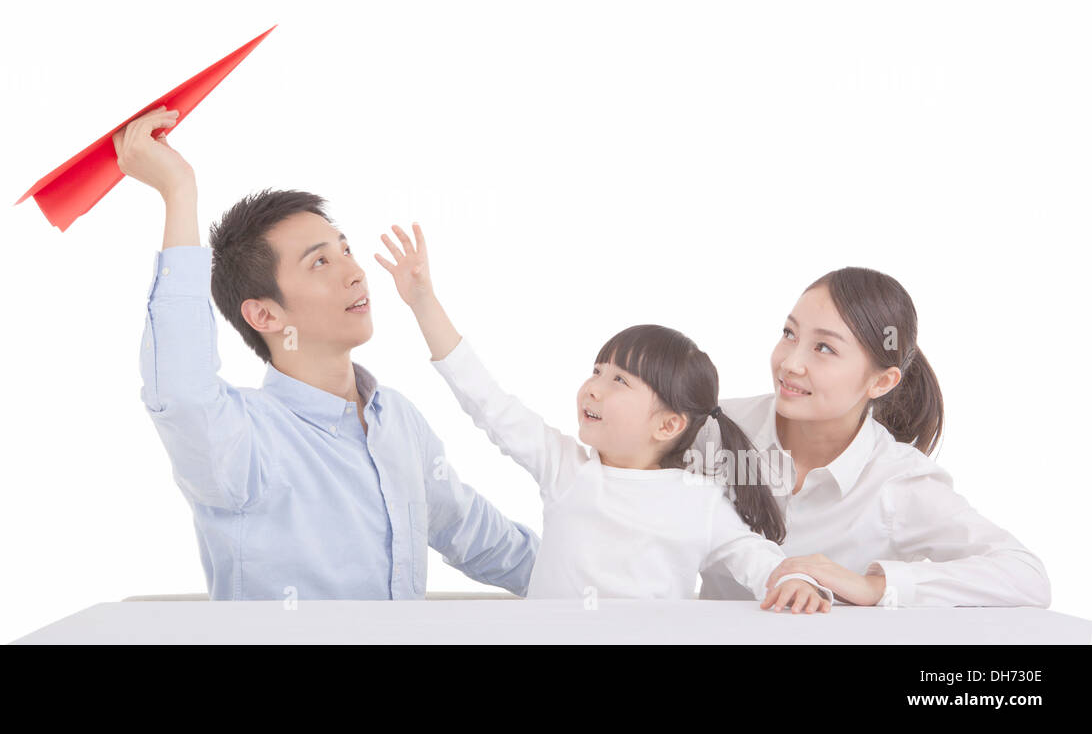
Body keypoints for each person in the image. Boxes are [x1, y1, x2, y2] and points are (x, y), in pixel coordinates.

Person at [114, 106, 539, 600]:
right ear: (265, 316)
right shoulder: (246, 440)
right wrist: (179, 192)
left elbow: (487, 542)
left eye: (345, 249)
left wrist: (603, 582)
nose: (355, 272)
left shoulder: (397, 420)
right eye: (319, 262)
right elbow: (182, 391)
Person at [374, 221, 835, 613]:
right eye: (597, 371)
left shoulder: (698, 501)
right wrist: (422, 301)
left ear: (669, 424)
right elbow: (486, 400)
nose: (593, 386)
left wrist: (795, 582)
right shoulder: (566, 469)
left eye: (620, 381)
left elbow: (752, 556)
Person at [698, 267, 1052, 607]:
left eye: (824, 348)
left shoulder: (897, 482)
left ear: (881, 382)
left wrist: (876, 586)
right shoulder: (713, 429)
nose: (790, 363)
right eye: (790, 333)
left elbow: (1026, 575)